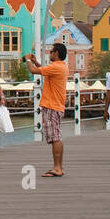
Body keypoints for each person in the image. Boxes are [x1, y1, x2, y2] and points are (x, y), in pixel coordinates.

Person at [25, 42, 69, 177]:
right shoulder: (61, 67)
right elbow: (44, 70)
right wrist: (35, 61)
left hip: (51, 105)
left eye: (51, 51)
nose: (50, 53)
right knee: (57, 136)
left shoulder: (56, 67)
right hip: (57, 105)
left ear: (56, 53)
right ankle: (59, 167)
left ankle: (57, 168)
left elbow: (33, 71)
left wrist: (27, 60)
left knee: (55, 138)